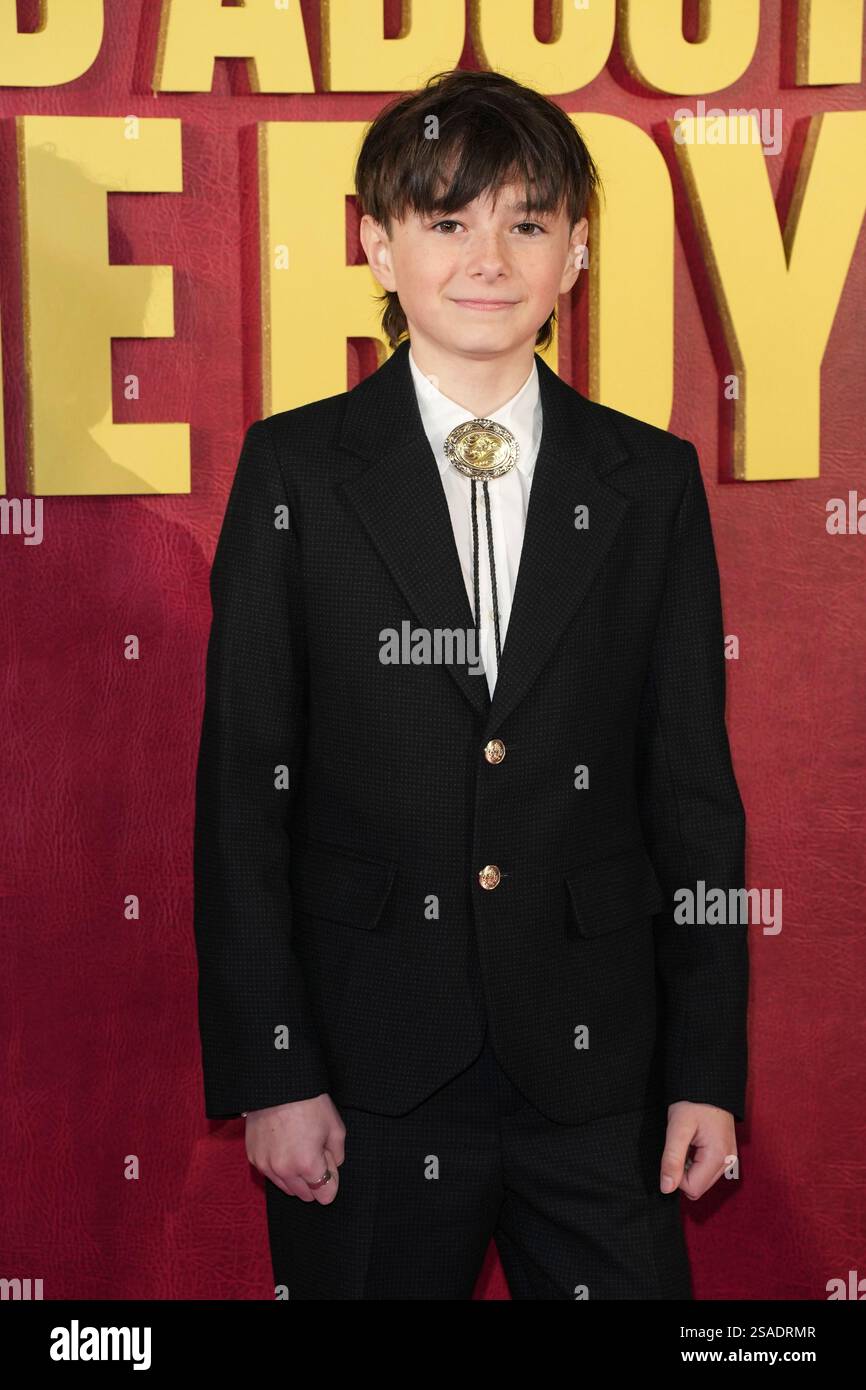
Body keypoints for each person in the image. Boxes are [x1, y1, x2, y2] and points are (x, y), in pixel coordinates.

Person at [193, 67, 749, 1300]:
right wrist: (274, 1070)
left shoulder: (649, 481)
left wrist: (704, 1066)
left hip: (599, 1081)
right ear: (378, 247)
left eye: (526, 223)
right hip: (365, 1070)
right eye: (447, 221)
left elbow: (692, 797)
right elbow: (242, 796)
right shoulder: (293, 469)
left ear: (576, 253)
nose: (486, 257)